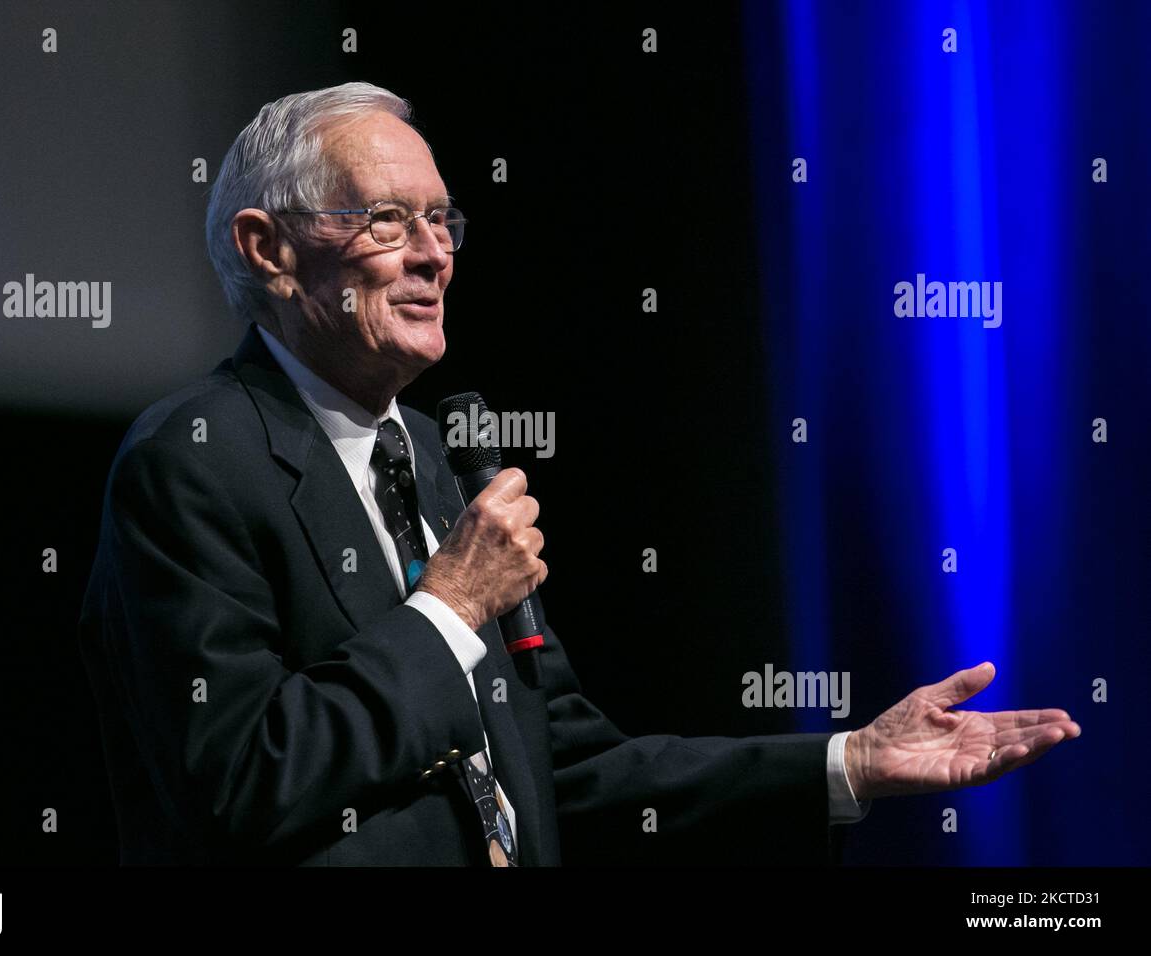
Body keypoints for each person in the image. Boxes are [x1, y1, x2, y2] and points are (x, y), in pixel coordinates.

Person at [76, 81, 1080, 866]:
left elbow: (565, 764)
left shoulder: (433, 459)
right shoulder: (193, 461)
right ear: (271, 249)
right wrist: (449, 605)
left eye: (443, 222)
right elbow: (243, 776)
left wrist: (845, 760)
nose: (434, 256)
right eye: (387, 221)